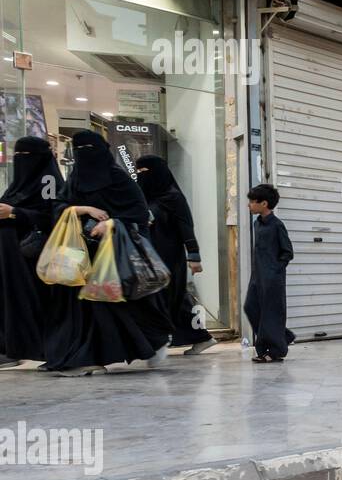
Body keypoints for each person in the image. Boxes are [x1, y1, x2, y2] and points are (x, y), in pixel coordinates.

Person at [43, 132, 173, 376]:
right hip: (81, 257)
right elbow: (58, 207)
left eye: (89, 148)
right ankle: (86, 357)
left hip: (115, 258)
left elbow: (140, 214)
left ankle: (153, 343)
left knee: (121, 308)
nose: (85, 155)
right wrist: (82, 209)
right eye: (79, 149)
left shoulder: (119, 179)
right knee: (86, 309)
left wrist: (112, 224)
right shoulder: (74, 179)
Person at [134, 155, 215, 356]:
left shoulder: (174, 197)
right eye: (138, 172)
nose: (140, 176)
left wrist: (194, 256)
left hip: (170, 258)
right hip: (150, 257)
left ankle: (163, 343)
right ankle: (199, 338)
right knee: (170, 301)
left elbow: (186, 226)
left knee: (169, 299)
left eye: (144, 172)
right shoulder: (145, 197)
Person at [0, 136, 62, 367]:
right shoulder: (18, 184)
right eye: (17, 156)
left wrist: (16, 213)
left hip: (34, 256)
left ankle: (38, 347)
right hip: (10, 256)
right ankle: (11, 347)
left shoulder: (48, 181)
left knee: (33, 300)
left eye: (25, 156)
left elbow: (54, 215)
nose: (20, 161)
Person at [244, 184, 295, 363]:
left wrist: (275, 271)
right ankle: (282, 336)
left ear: (264, 203)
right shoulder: (257, 223)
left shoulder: (277, 225)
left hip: (272, 279)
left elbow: (288, 252)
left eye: (252, 201)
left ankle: (274, 351)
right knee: (250, 307)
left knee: (271, 313)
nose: (248, 205)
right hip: (257, 277)